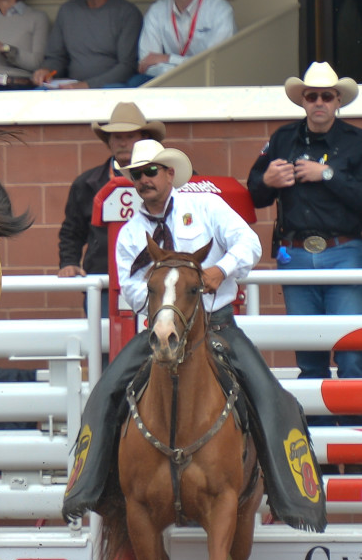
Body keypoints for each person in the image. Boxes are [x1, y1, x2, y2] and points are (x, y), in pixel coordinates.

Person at [64, 139, 324, 530]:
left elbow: (249, 243)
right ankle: (96, 492)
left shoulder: (205, 207)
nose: (144, 179)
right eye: (137, 174)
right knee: (104, 394)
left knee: (273, 398)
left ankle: (290, 497)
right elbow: (131, 290)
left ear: (170, 173)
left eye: (152, 171)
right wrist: (168, 295)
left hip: (218, 325)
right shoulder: (131, 233)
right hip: (162, 329)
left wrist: (221, 270)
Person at [246, 62, 362, 386]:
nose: (319, 102)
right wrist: (267, 181)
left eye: (327, 96)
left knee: (351, 352)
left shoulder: (356, 141)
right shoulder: (282, 139)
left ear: (338, 100)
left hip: (344, 252)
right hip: (294, 253)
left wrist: (327, 175)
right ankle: (313, 420)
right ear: (303, 101)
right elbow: (255, 194)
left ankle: (355, 419)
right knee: (309, 354)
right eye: (312, 96)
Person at [58, 102, 165, 279]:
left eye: (130, 136)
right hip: (102, 278)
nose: (123, 143)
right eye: (117, 137)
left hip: (160, 278)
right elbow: (72, 232)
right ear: (109, 141)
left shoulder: (171, 177)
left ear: (144, 139)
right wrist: (69, 262)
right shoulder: (85, 184)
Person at [31, 0, 141, 89]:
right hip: (71, 85)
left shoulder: (127, 12)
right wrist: (46, 70)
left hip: (110, 87)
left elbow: (127, 66)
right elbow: (56, 57)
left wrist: (87, 85)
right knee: (39, 92)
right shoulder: (67, 11)